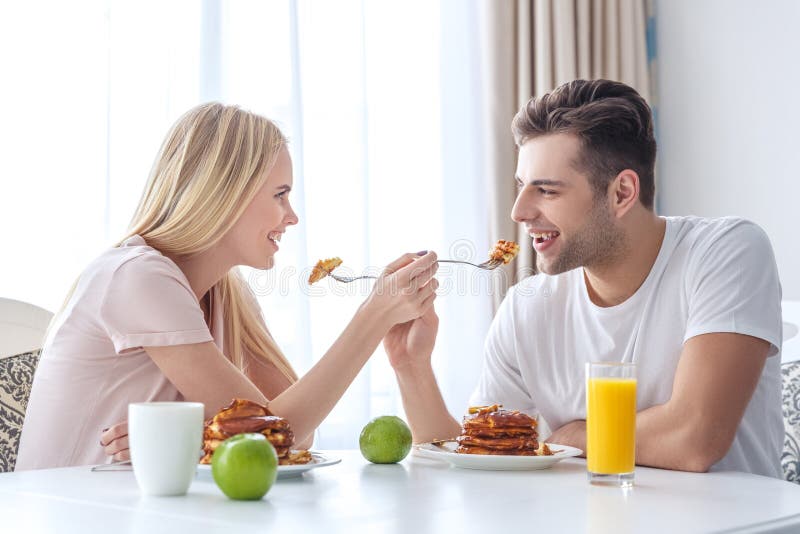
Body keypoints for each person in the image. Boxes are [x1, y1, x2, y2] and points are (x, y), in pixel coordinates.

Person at [387, 79, 783, 477]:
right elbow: (481, 460)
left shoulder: (727, 252)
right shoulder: (528, 306)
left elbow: (694, 439)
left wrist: (573, 437)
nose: (519, 212)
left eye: (546, 191)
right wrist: (411, 366)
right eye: (523, 187)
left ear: (622, 193)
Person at [16, 103, 439, 470]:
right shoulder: (137, 277)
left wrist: (196, 436)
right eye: (280, 195)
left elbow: (295, 433)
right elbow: (276, 436)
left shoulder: (228, 293)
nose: (291, 217)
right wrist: (372, 318)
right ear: (226, 193)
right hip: (68, 509)